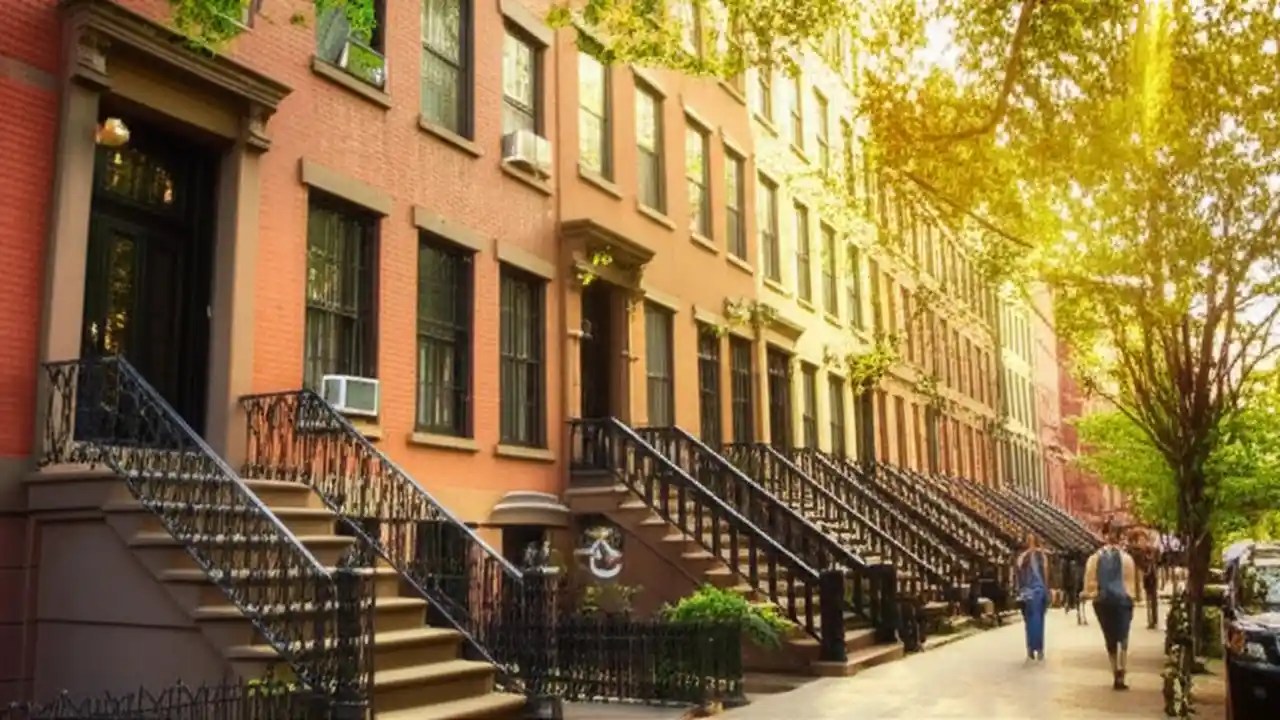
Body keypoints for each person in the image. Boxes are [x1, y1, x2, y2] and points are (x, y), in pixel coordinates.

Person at [1083, 522, 1138, 690]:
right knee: (1123, 636)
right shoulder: (1126, 558)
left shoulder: (1095, 558)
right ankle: (1121, 669)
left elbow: (1090, 580)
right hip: (1121, 601)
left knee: (1110, 638)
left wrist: (1091, 593)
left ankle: (1116, 670)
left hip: (1104, 601)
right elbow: (1131, 582)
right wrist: (1132, 597)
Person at [1016, 533, 1050, 661]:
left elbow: (1046, 573)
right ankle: (1032, 648)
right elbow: (1019, 567)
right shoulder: (1025, 556)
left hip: (1036, 590)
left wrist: (1046, 589)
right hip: (1029, 591)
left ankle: (1037, 648)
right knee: (1031, 620)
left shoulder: (1040, 556)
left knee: (1036, 620)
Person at [1143, 548, 1160, 629]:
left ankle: (1152, 621)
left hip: (1151, 585)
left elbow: (1148, 574)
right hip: (1151, 586)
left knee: (1151, 604)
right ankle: (1153, 621)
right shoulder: (1151, 563)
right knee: (1152, 604)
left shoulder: (1150, 564)